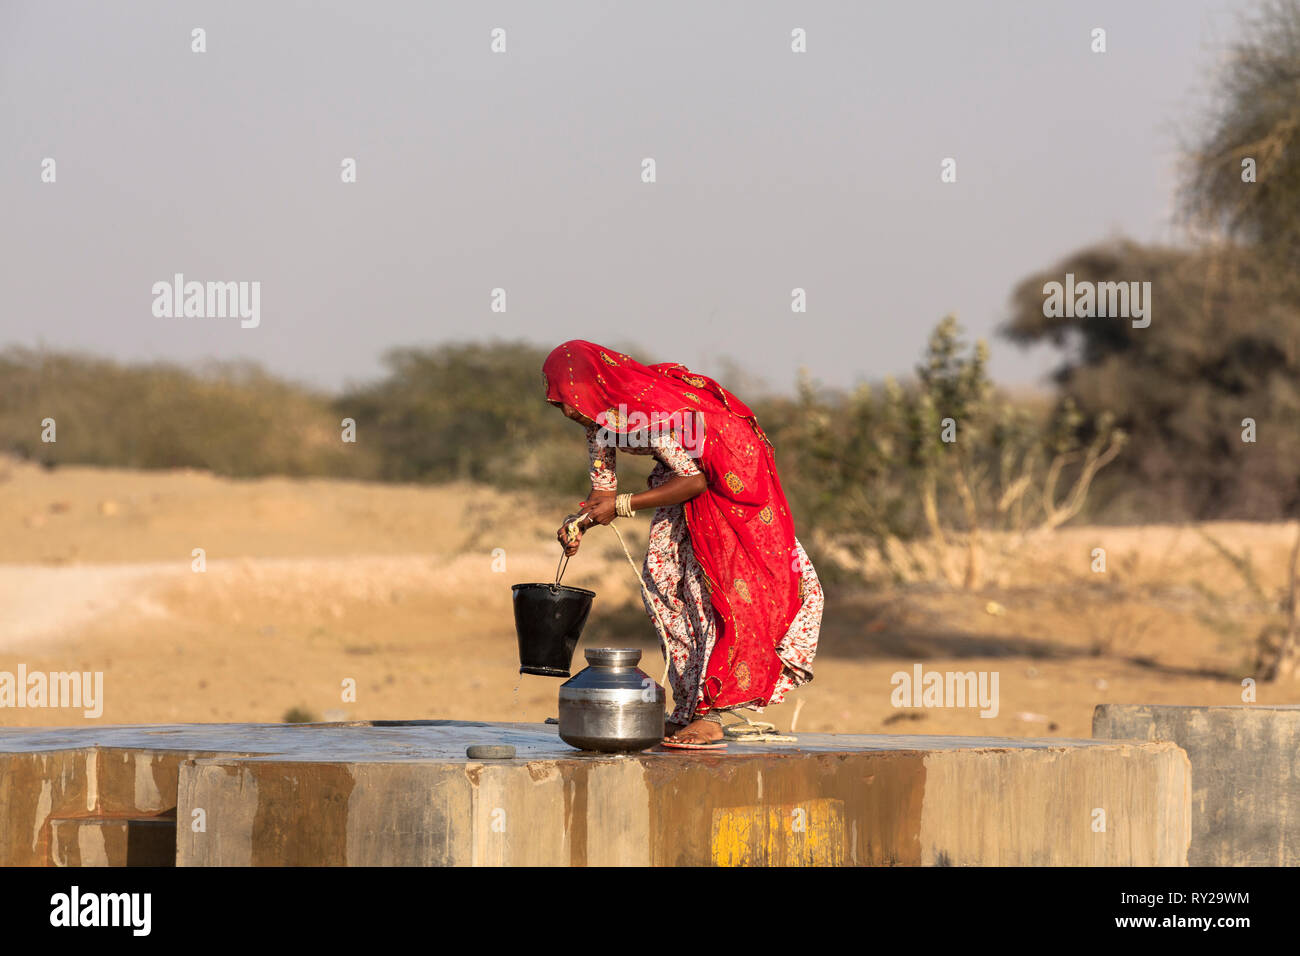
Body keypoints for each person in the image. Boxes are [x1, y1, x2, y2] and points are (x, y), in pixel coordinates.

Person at [542, 340, 822, 748]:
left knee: (717, 594)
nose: (567, 411)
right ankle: (690, 708)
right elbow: (603, 490)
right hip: (691, 484)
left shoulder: (650, 410)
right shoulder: (598, 421)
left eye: (568, 400)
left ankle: (713, 714)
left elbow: (695, 479)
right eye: (559, 406)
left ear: (591, 386)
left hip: (730, 481)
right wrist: (580, 523)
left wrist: (623, 506)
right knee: (665, 584)